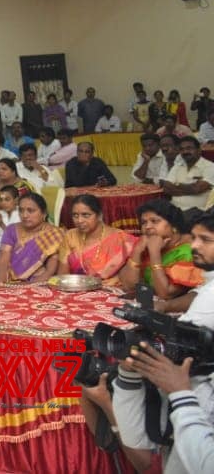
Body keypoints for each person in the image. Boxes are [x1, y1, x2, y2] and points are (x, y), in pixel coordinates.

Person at [112, 211, 214, 474]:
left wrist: (179, 393)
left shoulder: (208, 304)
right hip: (184, 413)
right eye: (194, 238)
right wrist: (128, 374)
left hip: (196, 414)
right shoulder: (207, 287)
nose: (194, 245)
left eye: (206, 239)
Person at [119, 199, 202, 308]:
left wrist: (154, 254)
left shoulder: (189, 252)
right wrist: (137, 251)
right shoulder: (147, 244)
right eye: (144, 222)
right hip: (149, 303)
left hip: (175, 311)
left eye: (155, 221)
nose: (147, 227)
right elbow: (128, 286)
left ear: (174, 226)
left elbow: (166, 294)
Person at [0, 192, 63, 285]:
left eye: (30, 211)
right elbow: (3, 262)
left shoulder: (54, 235)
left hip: (39, 283)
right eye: (21, 210)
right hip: (8, 279)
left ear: (44, 213)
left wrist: (24, 287)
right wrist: (1, 285)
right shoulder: (12, 229)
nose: (25, 215)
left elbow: (49, 272)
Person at [58, 195, 137, 286]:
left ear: (99, 215)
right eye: (75, 215)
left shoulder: (121, 238)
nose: (79, 220)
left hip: (111, 289)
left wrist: (118, 278)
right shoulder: (70, 236)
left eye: (86, 215)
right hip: (75, 289)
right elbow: (63, 275)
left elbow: (136, 269)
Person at [160, 136, 214, 215]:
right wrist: (191, 187)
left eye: (189, 148)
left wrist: (176, 185)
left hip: (199, 213)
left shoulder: (210, 167)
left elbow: (197, 189)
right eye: (182, 149)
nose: (185, 152)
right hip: (175, 211)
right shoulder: (177, 166)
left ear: (199, 150)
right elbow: (166, 188)